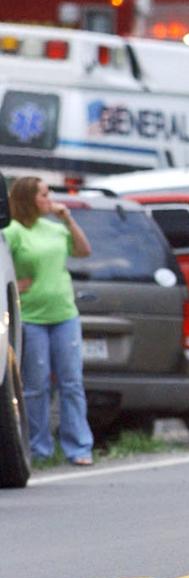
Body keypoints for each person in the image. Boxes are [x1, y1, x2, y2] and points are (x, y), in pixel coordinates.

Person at [3, 176, 93, 466]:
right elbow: (5, 268)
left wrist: (68, 220)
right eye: (43, 193)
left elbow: (82, 251)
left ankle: (79, 446)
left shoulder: (54, 228)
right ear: (29, 198)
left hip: (64, 314)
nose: (49, 197)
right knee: (36, 385)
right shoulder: (14, 231)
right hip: (32, 317)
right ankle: (39, 447)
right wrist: (17, 282)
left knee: (72, 382)